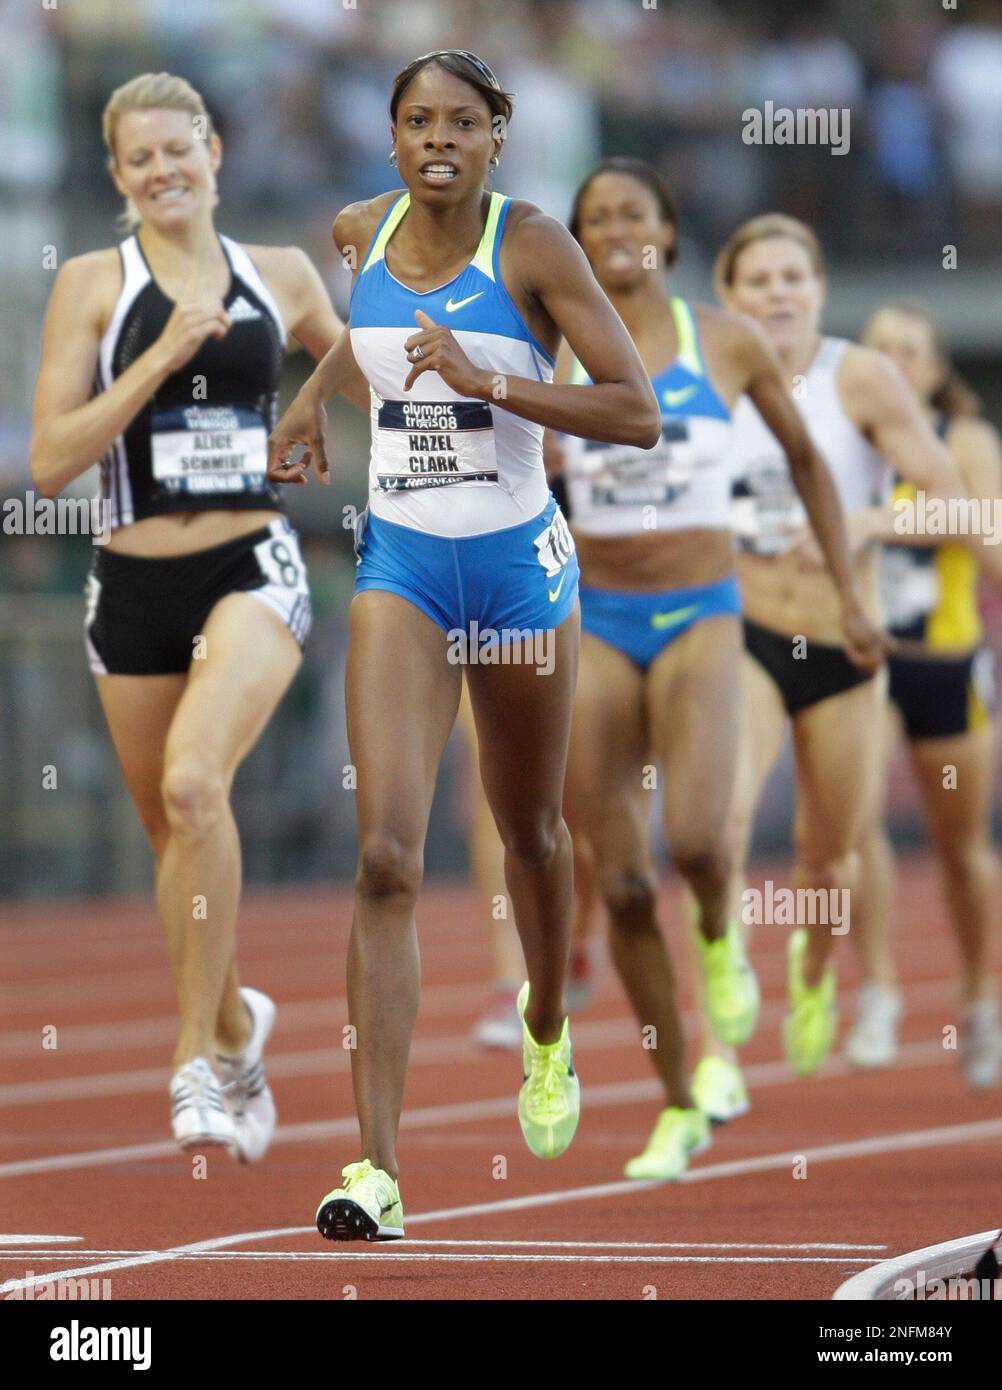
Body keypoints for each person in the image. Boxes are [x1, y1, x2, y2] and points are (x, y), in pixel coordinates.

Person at [267, 51, 660, 1240]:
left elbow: (633, 411)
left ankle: (545, 1023)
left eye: (463, 121)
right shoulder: (356, 229)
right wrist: (308, 389)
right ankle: (374, 1171)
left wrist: (495, 379)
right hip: (402, 569)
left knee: (534, 828)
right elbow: (375, 344)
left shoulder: (533, 244)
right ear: (390, 138)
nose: (438, 137)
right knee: (386, 855)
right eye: (417, 120)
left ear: (499, 136)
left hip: (518, 573)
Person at [29, 72, 365, 1161]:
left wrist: (333, 390)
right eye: (140, 160)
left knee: (193, 782)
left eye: (180, 149)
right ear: (120, 176)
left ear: (215, 150)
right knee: (177, 834)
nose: (163, 171)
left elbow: (379, 379)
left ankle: (193, 1059)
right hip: (128, 584)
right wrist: (163, 357)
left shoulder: (280, 273)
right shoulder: (92, 282)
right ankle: (234, 1026)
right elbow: (48, 463)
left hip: (250, 562)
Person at [549, 160, 882, 1179]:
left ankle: (727, 942)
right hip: (597, 616)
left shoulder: (722, 340)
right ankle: (679, 1099)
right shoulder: (552, 350)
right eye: (596, 217)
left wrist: (855, 591)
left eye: (635, 215)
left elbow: (813, 463)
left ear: (669, 233)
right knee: (619, 877)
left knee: (699, 839)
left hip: (702, 608)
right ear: (573, 240)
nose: (616, 230)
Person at [716, 214, 991, 1079]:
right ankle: (743, 981)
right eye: (758, 281)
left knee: (850, 848)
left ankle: (855, 982)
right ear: (730, 296)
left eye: (793, 278)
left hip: (875, 650)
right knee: (721, 818)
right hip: (751, 635)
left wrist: (865, 520)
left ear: (820, 289)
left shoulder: (875, 390)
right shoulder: (706, 377)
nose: (777, 295)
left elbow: (969, 515)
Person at [846, 302, 1001, 1087]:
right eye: (879, 349)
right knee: (854, 816)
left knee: (959, 844)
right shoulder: (841, 435)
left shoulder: (962, 441)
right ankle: (878, 987)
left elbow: (988, 529)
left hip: (945, 658)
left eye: (910, 350)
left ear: (937, 371)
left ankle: (979, 992)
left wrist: (882, 520)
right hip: (865, 658)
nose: (894, 362)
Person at [454, 681, 602, 1050]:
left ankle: (582, 928)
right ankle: (510, 986)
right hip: (471, 626)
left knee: (576, 784)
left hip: (580, 626)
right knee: (492, 771)